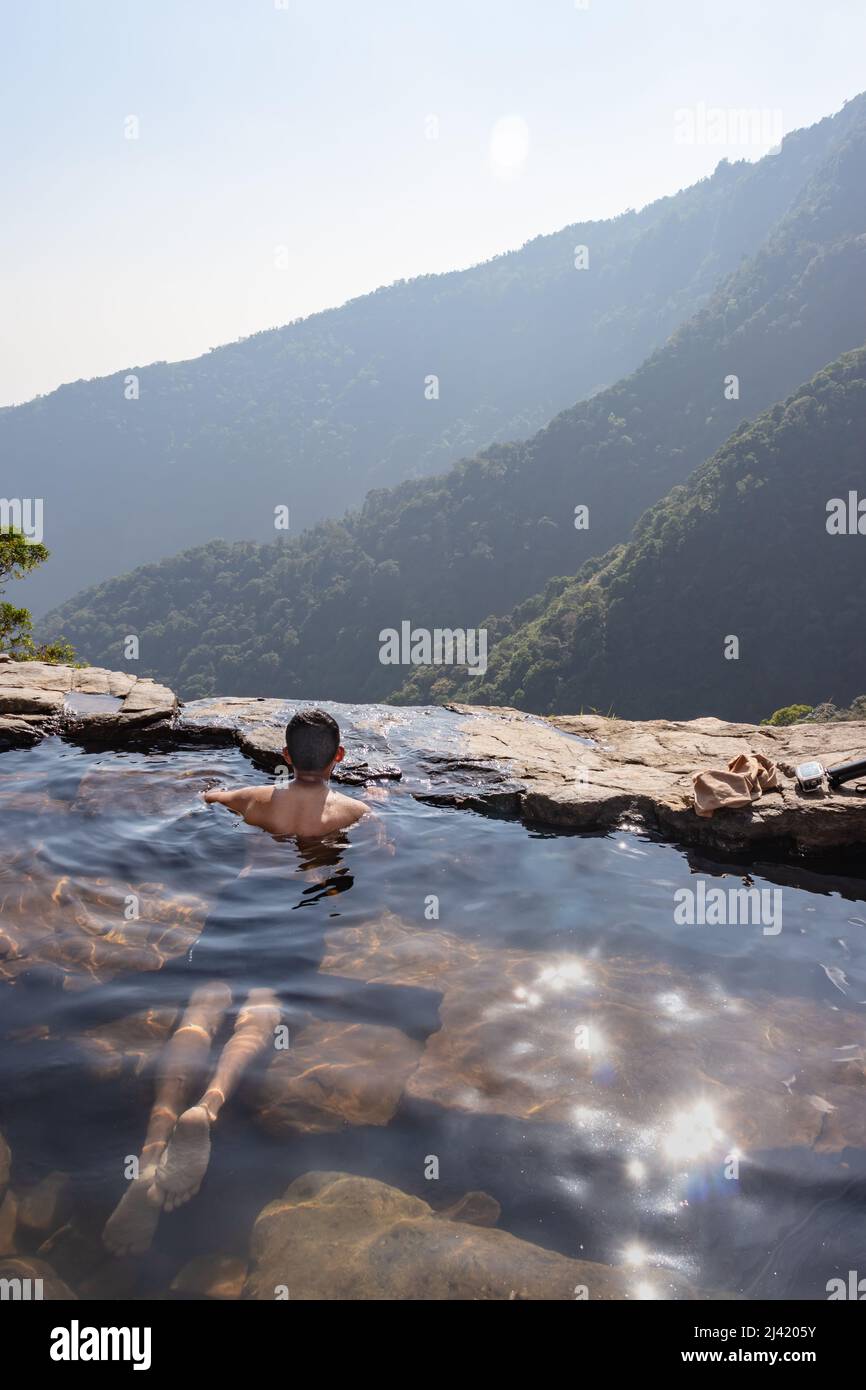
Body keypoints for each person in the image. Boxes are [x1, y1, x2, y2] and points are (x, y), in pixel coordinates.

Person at [102, 710, 368, 1255]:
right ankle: (212, 1104)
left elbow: (208, 799)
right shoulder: (353, 812)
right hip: (297, 914)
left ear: (286, 758)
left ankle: (153, 1145)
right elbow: (369, 863)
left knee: (203, 1005)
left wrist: (211, 792)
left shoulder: (258, 799)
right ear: (338, 758)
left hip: (240, 905)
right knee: (262, 1006)